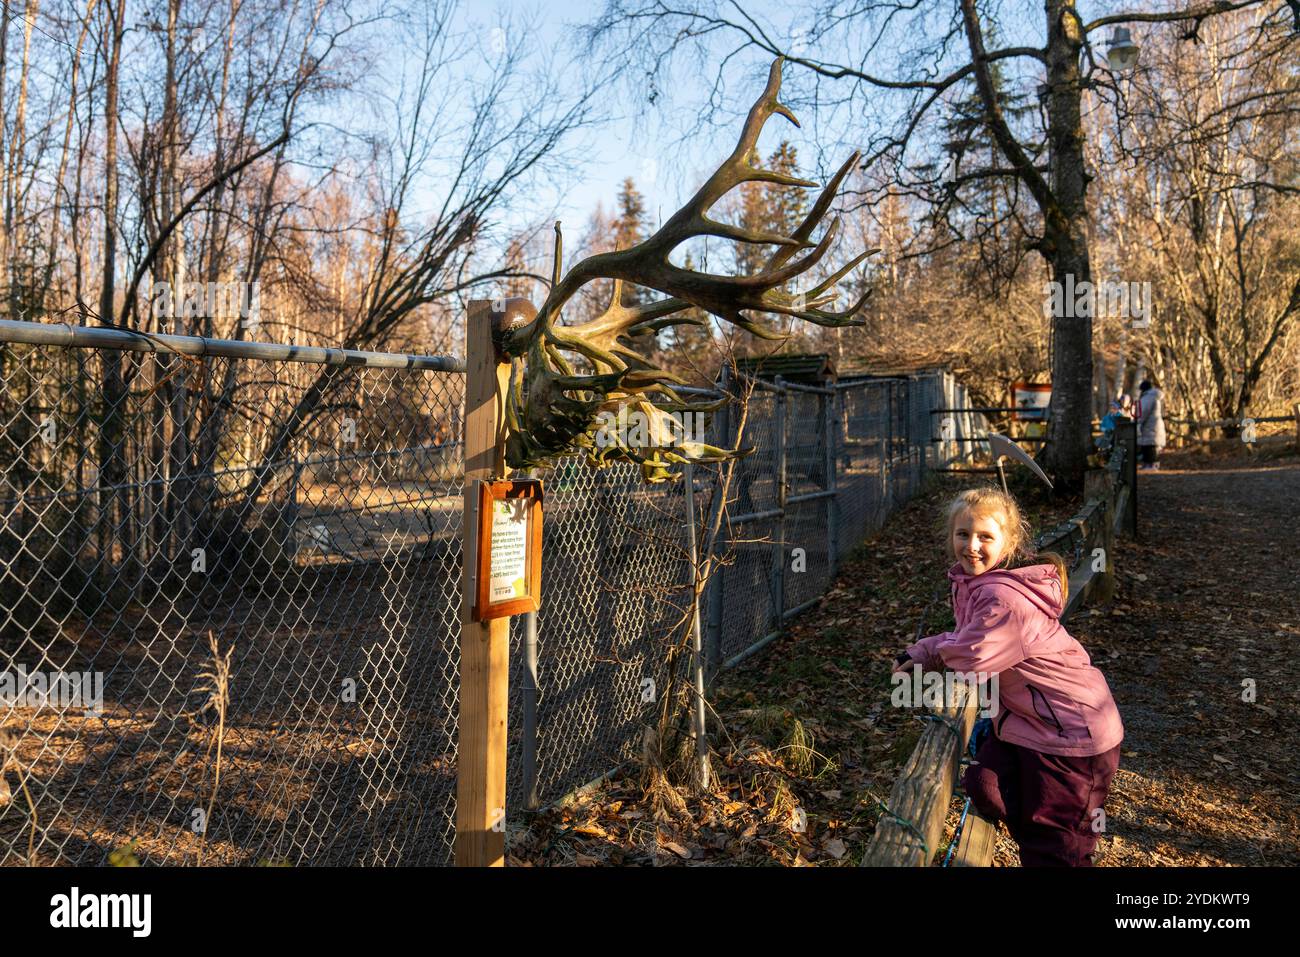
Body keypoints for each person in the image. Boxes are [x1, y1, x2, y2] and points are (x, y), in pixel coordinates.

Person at [891, 487, 1124, 866]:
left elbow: (974, 654)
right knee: (984, 784)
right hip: (1027, 725)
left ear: (1009, 541)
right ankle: (1030, 817)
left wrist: (928, 659)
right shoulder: (980, 585)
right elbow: (968, 638)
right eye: (963, 534)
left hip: (1069, 736)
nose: (972, 546)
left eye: (986, 536)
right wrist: (921, 651)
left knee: (1055, 846)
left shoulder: (1004, 598)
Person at [1136, 379, 1166, 469]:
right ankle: (1149, 463)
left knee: (1150, 445)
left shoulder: (1148, 397)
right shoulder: (1154, 396)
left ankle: (1151, 464)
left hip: (1150, 425)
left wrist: (1138, 420)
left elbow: (1143, 411)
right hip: (1153, 425)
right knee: (1150, 445)